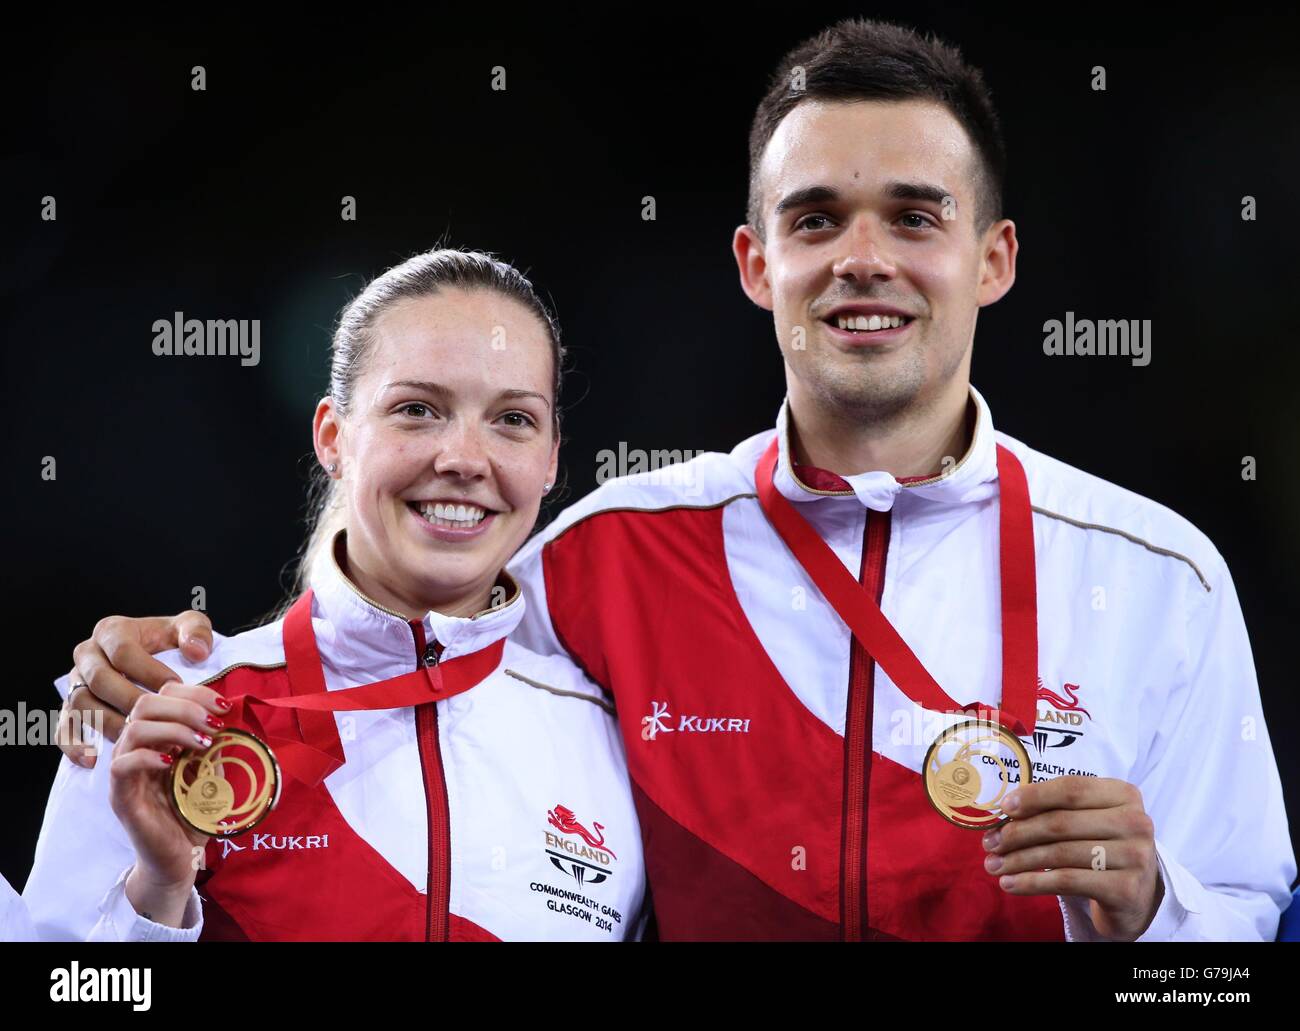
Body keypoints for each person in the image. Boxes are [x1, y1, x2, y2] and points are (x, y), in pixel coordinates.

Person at [51, 19, 1294, 941]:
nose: (861, 259)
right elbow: (399, 636)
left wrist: (1157, 916)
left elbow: (1239, 955)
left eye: (914, 217)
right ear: (756, 263)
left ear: (994, 258)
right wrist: (155, 671)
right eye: (814, 220)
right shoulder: (601, 557)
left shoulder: (1157, 577)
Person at [22, 248, 647, 941]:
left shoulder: (611, 737)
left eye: (513, 420)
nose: (465, 459)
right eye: (417, 409)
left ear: (553, 456)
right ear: (334, 437)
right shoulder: (165, 711)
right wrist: (157, 894)